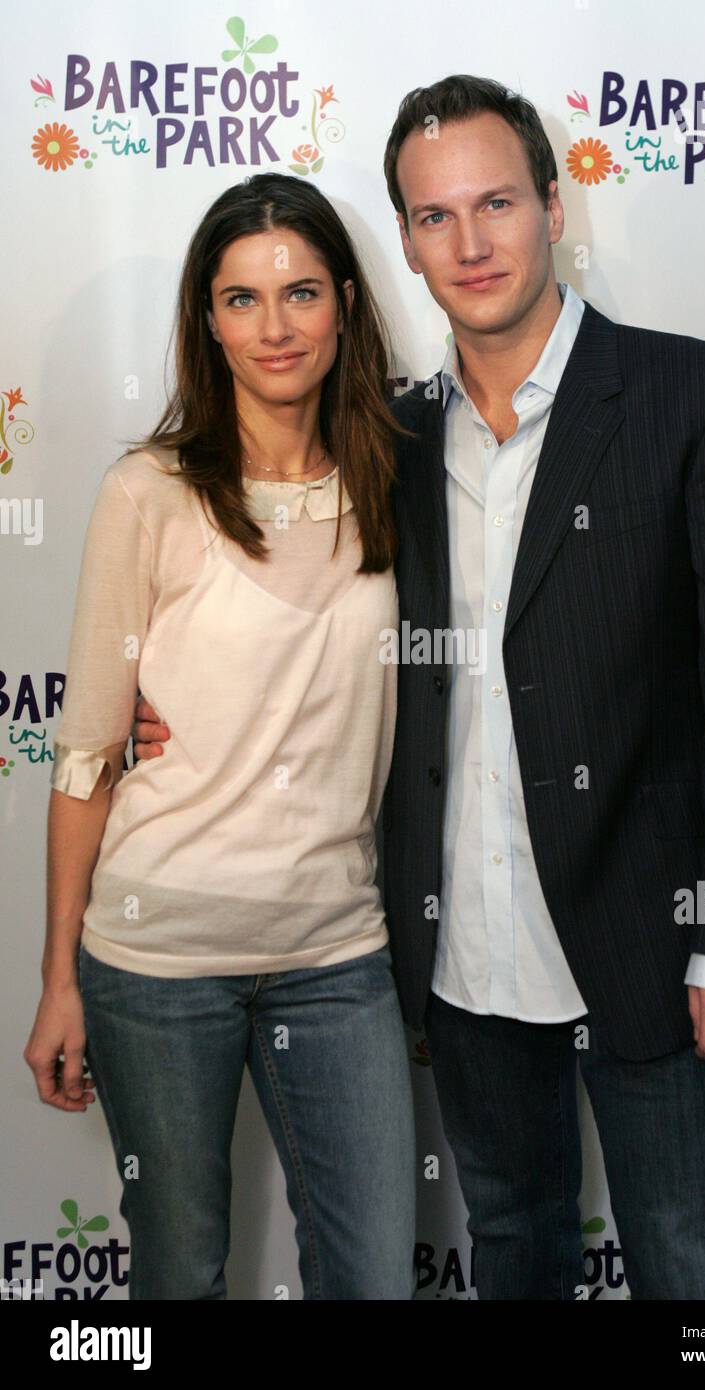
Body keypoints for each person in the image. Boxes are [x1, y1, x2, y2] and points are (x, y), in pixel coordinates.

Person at [134, 75, 705, 1300]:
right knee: (511, 1249)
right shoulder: (385, 439)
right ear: (402, 240)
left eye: (495, 202)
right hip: (460, 951)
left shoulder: (690, 398)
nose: (470, 241)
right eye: (434, 216)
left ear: (553, 207)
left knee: (690, 1265)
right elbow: (294, 621)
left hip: (655, 938)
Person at [24, 173, 418, 1300]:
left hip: (338, 954)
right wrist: (59, 979)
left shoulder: (398, 476)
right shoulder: (148, 490)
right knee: (182, 1272)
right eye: (241, 299)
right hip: (156, 962)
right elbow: (89, 751)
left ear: (344, 301)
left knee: (373, 1275)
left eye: (299, 292)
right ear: (206, 316)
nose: (275, 326)